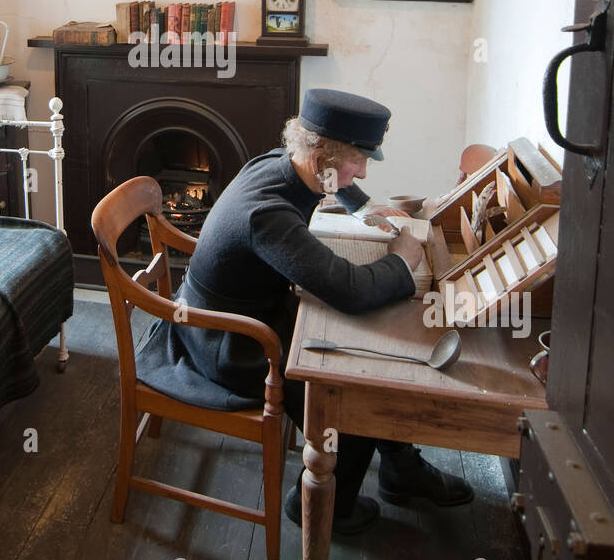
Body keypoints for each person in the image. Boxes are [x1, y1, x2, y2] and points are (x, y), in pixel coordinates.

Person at [135, 87, 473, 534]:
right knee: (352, 392)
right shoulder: (267, 213)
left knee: (367, 356)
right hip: (229, 343)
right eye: (360, 161)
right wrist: (404, 258)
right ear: (320, 160)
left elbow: (325, 188)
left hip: (252, 310)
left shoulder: (280, 163)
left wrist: (365, 207)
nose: (365, 170)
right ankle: (323, 508)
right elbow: (350, 291)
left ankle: (399, 467)